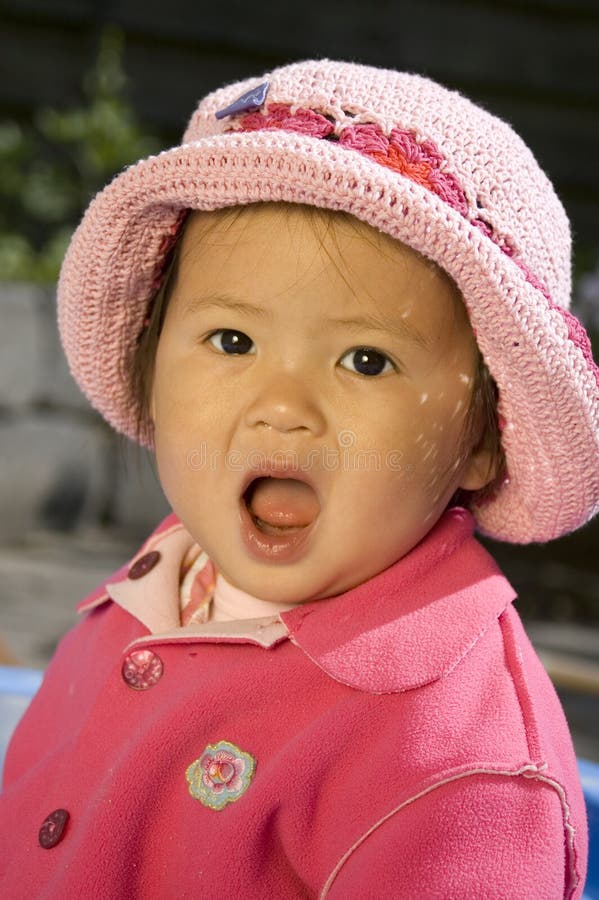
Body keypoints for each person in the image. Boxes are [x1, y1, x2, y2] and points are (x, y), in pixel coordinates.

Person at [1, 59, 596, 898]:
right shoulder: (168, 573)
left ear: (482, 441)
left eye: (365, 359)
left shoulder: (459, 769)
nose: (282, 408)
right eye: (233, 342)